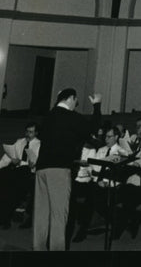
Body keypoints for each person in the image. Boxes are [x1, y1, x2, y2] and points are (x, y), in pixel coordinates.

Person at [33, 88, 101, 251]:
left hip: (41, 169)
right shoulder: (70, 117)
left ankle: (38, 252)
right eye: (75, 101)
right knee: (59, 216)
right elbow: (93, 127)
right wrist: (97, 105)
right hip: (59, 169)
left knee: (41, 214)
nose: (75, 105)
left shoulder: (49, 116)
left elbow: (44, 136)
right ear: (71, 98)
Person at [0, 122, 40, 229]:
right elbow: (7, 157)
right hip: (16, 171)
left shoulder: (39, 145)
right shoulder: (19, 141)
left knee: (14, 187)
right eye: (27, 131)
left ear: (36, 133)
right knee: (3, 177)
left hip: (29, 173)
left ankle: (6, 218)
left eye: (31, 132)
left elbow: (37, 164)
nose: (28, 134)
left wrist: (30, 164)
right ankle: (4, 217)